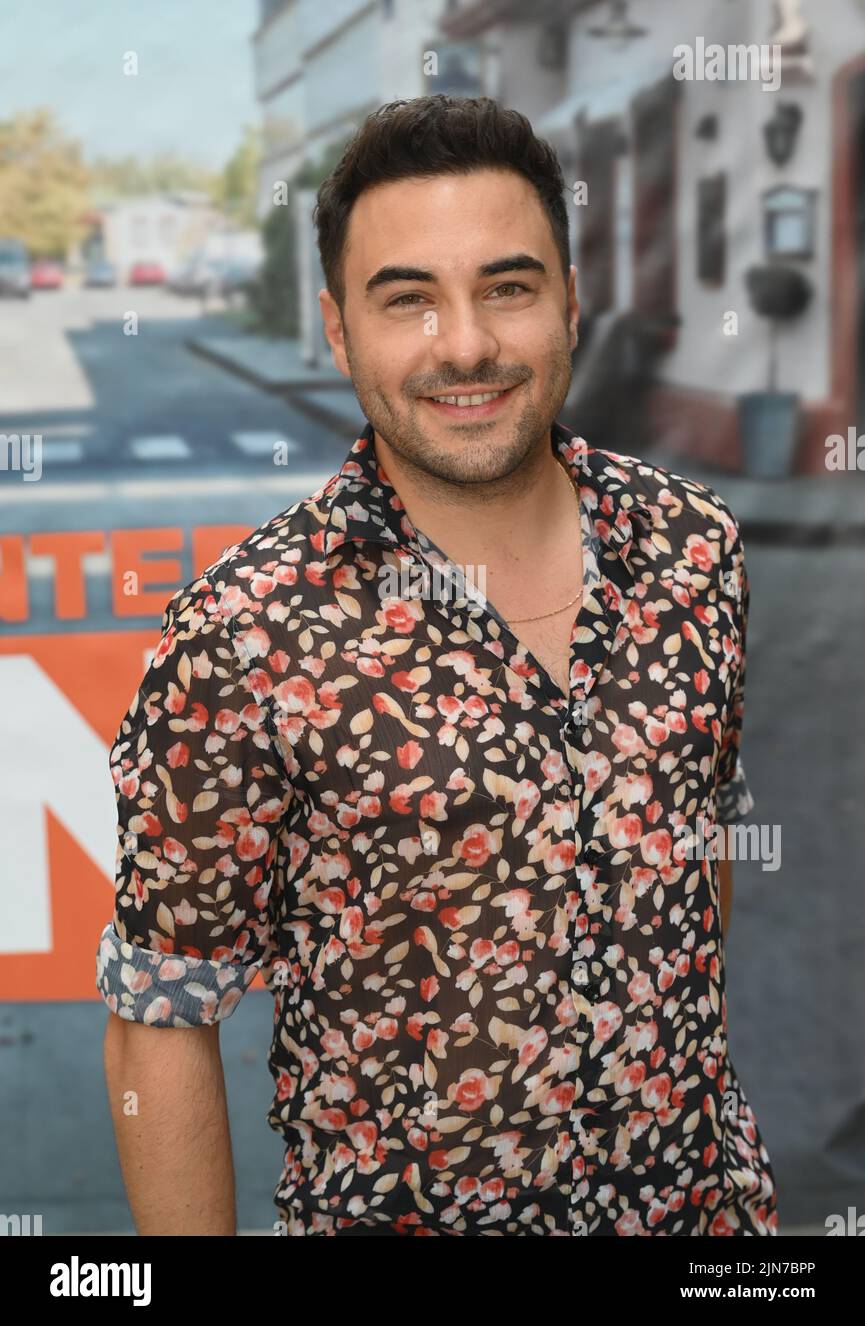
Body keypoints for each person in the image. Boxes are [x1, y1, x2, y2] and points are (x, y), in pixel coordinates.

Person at [96, 94, 777, 1236]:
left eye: (505, 288)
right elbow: (162, 1012)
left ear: (569, 298)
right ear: (337, 330)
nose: (464, 344)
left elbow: (696, 841)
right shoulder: (247, 628)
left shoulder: (693, 546)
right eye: (407, 299)